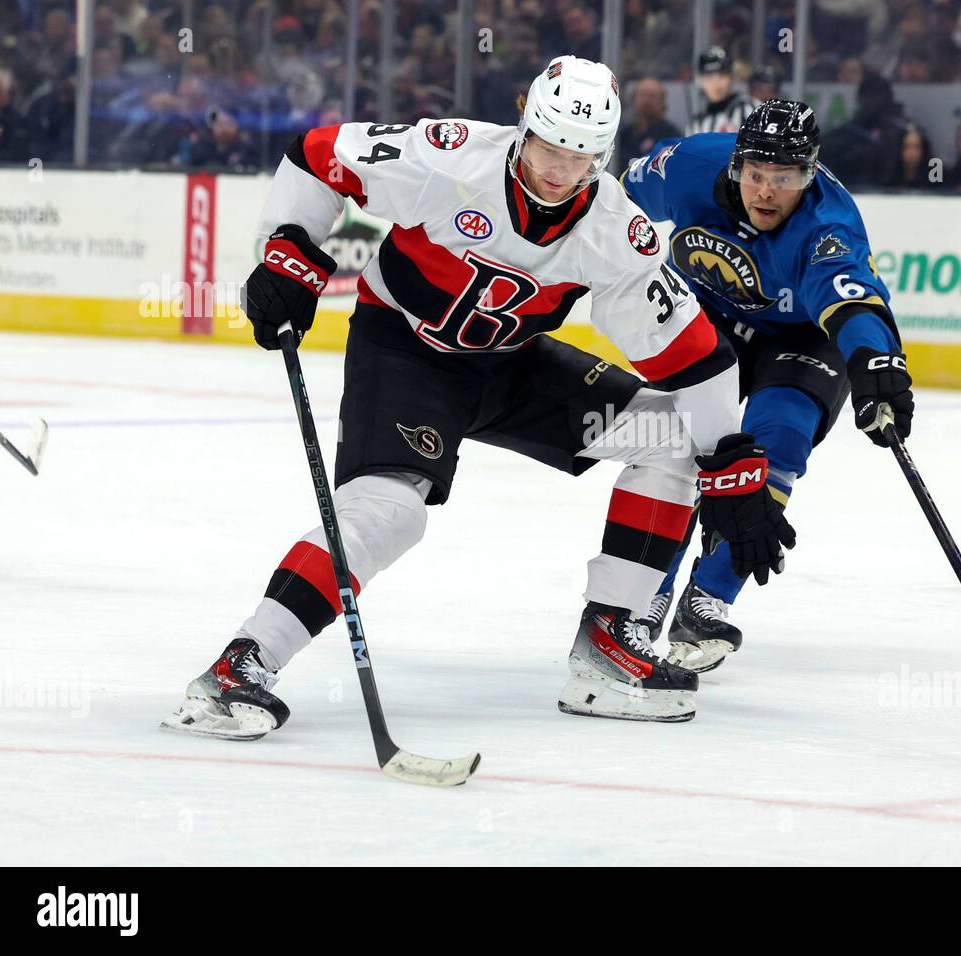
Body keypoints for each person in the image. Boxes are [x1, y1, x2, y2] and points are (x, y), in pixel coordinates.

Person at [161, 56, 794, 735]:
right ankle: (240, 667)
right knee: (389, 512)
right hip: (406, 352)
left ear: (601, 157)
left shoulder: (616, 231)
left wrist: (728, 457)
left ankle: (609, 645)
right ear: (525, 129)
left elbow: (696, 358)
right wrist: (286, 251)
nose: (558, 169)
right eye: (549, 147)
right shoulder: (448, 157)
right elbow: (319, 156)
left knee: (670, 440)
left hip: (512, 365)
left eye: (579, 157)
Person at [621, 100, 909, 672]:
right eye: (756, 174)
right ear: (735, 166)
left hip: (801, 337)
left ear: (810, 174)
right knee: (680, 446)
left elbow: (849, 298)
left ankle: (708, 596)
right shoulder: (686, 165)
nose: (768, 191)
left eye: (785, 178)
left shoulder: (828, 226)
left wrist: (877, 364)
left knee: (778, 440)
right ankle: (646, 587)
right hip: (707, 317)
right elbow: (610, 198)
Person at [687, 46, 760, 135]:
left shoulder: (751, 109)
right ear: (700, 81)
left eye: (722, 76)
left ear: (731, 77)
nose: (716, 84)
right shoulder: (697, 123)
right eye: (709, 78)